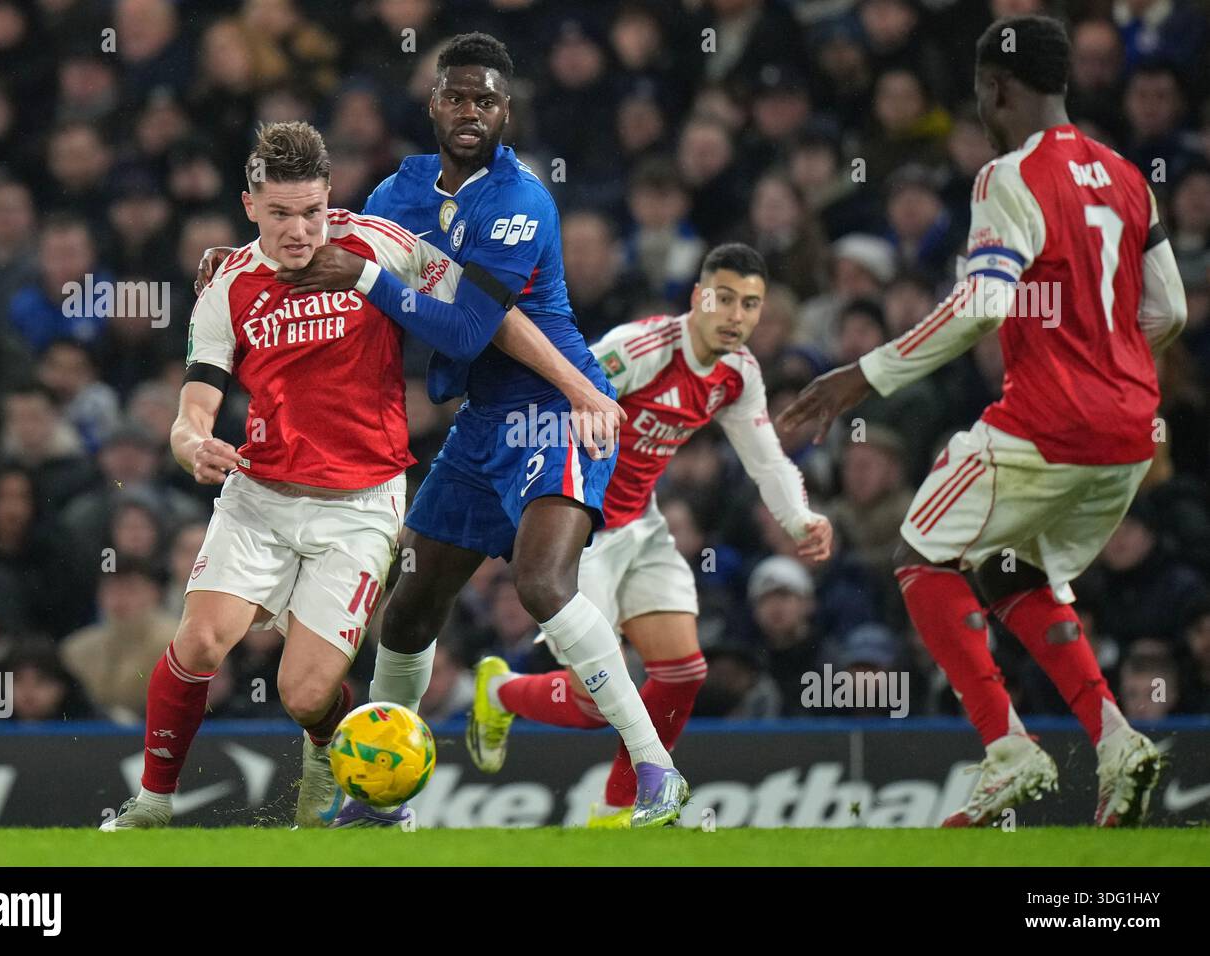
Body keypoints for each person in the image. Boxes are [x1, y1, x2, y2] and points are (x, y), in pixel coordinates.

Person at [209, 33, 689, 827]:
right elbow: (317, 244)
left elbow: (467, 330)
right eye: (457, 96)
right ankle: (380, 800)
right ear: (433, 104)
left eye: (486, 99)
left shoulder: (520, 200)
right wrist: (237, 261)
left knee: (541, 584)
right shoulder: (399, 191)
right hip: (481, 421)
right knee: (408, 608)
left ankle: (656, 771)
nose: (471, 111)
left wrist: (368, 277)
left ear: (507, 112)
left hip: (553, 409)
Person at [104, 120, 607, 831]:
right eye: (280, 214)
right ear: (250, 206)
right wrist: (193, 446)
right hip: (259, 496)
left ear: (329, 197)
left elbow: (486, 313)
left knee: (305, 695)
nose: (299, 230)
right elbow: (195, 406)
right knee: (200, 641)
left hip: (359, 505)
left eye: (311, 210)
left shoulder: (378, 246)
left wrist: (578, 386)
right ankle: (153, 804)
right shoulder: (227, 286)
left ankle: (323, 747)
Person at [778, 16, 1187, 828]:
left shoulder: (1008, 176)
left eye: (978, 92)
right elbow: (1169, 309)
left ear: (997, 88)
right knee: (1008, 571)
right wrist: (1108, 360)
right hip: (1129, 432)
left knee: (919, 553)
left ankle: (1008, 749)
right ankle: (1116, 742)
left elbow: (981, 305)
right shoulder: (1126, 175)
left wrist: (864, 374)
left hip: (1048, 422)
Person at [463, 244, 831, 827]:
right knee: (592, 705)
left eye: (750, 304)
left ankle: (616, 810)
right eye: (724, 299)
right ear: (698, 298)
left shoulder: (737, 375)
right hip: (581, 531)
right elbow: (556, 395)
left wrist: (799, 518)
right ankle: (502, 693)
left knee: (683, 672)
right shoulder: (640, 349)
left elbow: (765, 458)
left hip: (643, 525)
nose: (735, 315)